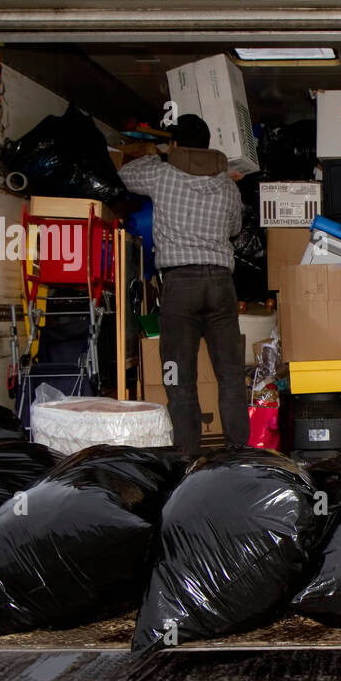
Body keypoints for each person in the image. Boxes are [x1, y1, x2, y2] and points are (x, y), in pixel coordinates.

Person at [118, 114, 248, 457]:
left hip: (180, 286)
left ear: (175, 144)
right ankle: (239, 454)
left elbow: (124, 174)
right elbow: (235, 228)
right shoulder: (228, 185)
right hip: (220, 285)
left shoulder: (161, 174)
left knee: (179, 378)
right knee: (231, 375)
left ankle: (187, 459)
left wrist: (161, 155)